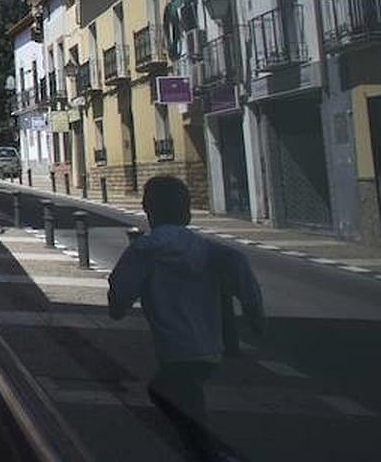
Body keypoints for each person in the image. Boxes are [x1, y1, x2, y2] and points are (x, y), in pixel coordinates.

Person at [108, 175, 264, 462]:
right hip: (209, 346)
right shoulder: (208, 250)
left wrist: (118, 305)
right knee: (184, 397)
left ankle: (208, 452)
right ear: (187, 211)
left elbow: (119, 294)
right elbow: (238, 266)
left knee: (167, 392)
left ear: (147, 208)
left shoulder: (143, 250)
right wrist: (255, 312)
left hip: (173, 347)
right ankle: (201, 449)